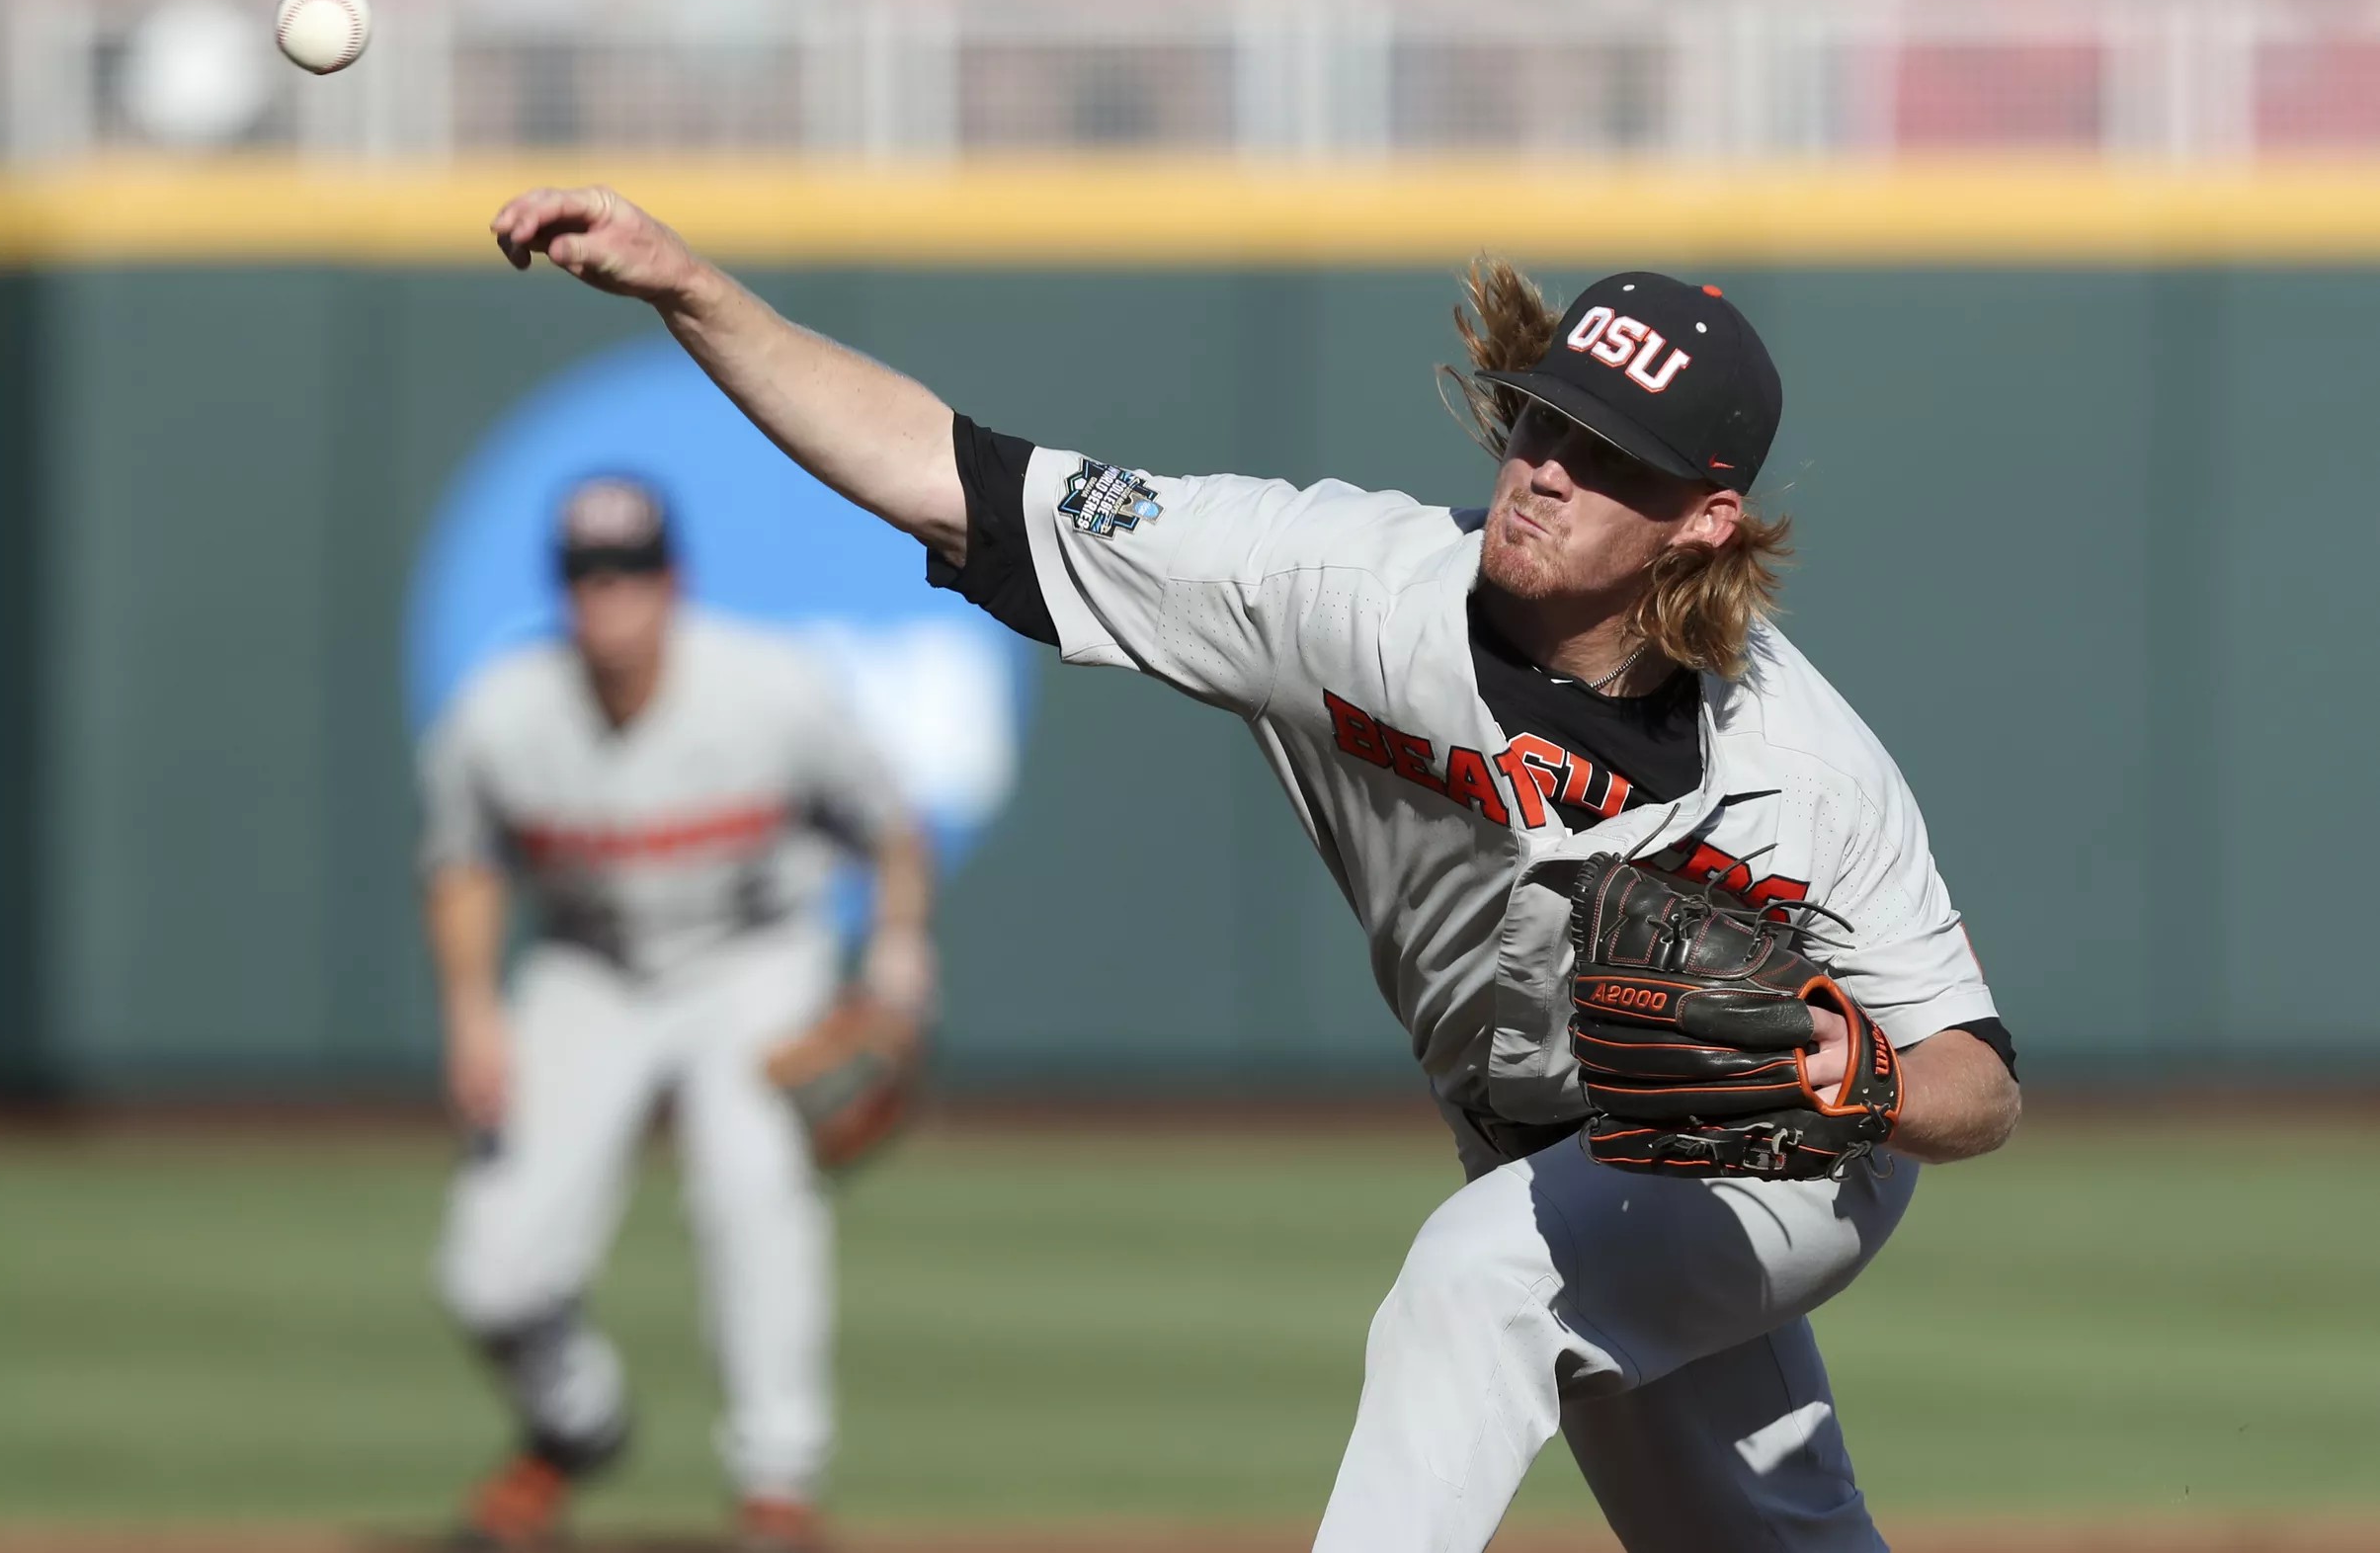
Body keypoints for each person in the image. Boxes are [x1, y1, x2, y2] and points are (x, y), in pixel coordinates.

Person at [482, 185, 2022, 1551]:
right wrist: (692, 287)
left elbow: (1982, 1085)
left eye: (1606, 458)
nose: (1545, 468)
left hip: (1777, 1157)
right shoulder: (1332, 589)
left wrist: (1847, 1066)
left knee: (1478, 1282)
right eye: (1543, 420)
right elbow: (948, 473)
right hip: (1548, 1152)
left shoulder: (1801, 765)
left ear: (1704, 518)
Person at [417, 475, 936, 1553]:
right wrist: (471, 1009)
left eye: (629, 572)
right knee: (489, 1266)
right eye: (585, 576)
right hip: (589, 969)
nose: (607, 596)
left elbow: (888, 818)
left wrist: (892, 958)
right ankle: (573, 1422)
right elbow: (463, 862)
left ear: (674, 579)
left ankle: (776, 1485)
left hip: (751, 958)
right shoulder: (503, 711)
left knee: (752, 1189)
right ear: (559, 589)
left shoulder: (766, 686)